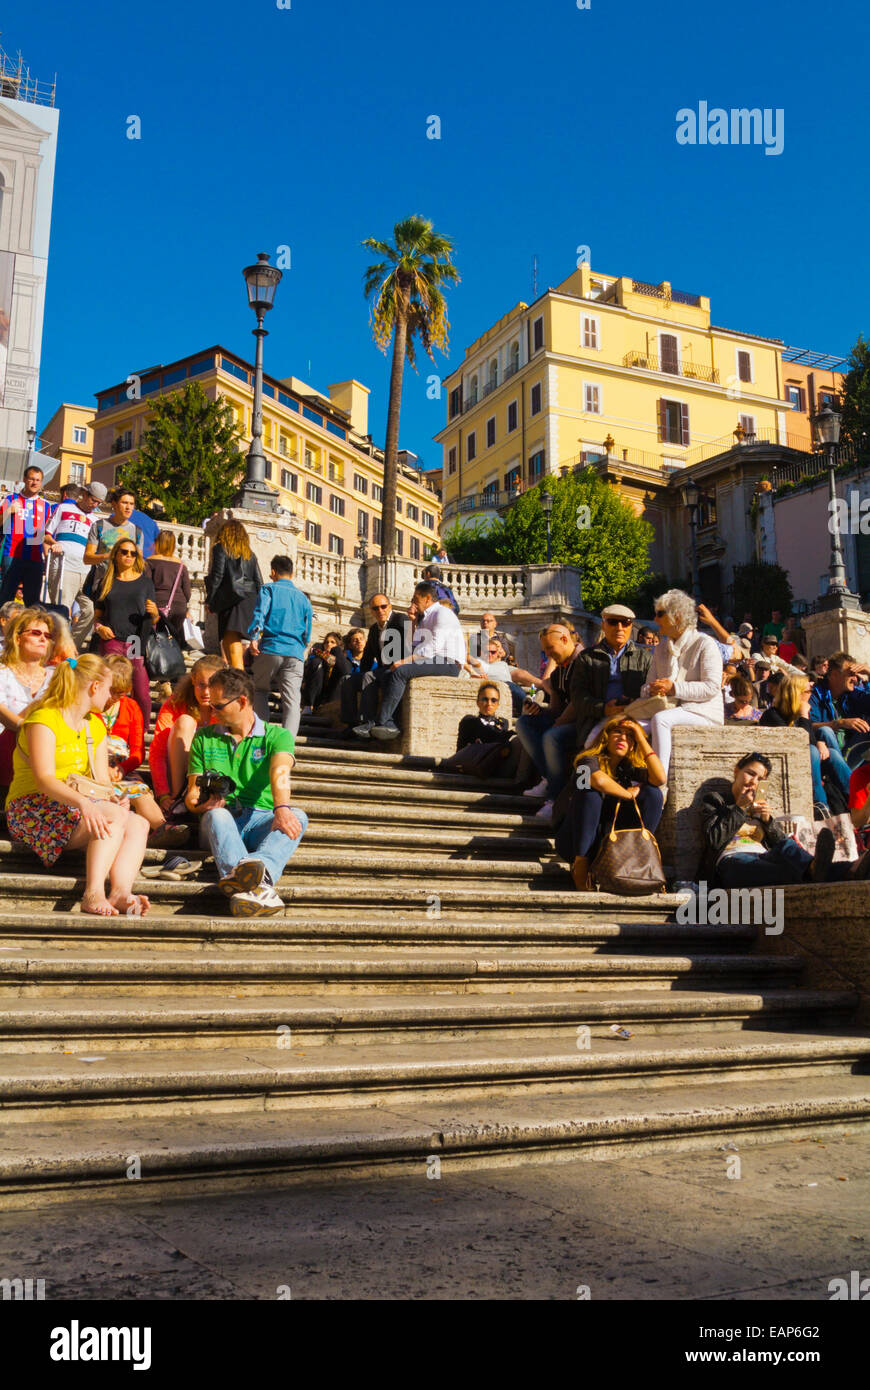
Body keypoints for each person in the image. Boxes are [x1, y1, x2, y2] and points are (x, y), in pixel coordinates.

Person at [5, 653, 151, 916]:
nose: (110, 697)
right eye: (108, 689)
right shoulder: (44, 718)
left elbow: (101, 781)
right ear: (94, 686)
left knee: (138, 823)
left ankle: (120, 892)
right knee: (112, 816)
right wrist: (87, 803)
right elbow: (44, 779)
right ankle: (93, 893)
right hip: (32, 808)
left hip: (75, 807)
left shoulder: (94, 726)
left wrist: (114, 797)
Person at [185, 668, 308, 917]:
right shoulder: (203, 738)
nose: (212, 711)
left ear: (242, 701)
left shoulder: (277, 736)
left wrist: (282, 808)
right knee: (218, 817)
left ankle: (251, 884)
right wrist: (202, 806)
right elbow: (191, 795)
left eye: (218, 706)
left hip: (261, 818)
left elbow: (280, 771)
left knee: (299, 816)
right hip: (220, 821)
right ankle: (259, 884)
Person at [698, 751, 870, 889]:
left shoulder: (756, 806)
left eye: (760, 779)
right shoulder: (715, 800)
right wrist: (739, 808)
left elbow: (778, 843)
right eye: (750, 774)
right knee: (780, 870)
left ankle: (837, 868)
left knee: (785, 845)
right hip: (733, 861)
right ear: (737, 771)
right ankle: (848, 870)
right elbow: (714, 839)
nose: (753, 782)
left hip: (763, 855)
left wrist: (767, 821)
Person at [558, 717, 666, 891]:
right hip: (575, 840)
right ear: (605, 737)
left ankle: (642, 856)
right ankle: (581, 866)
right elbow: (598, 780)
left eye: (630, 736)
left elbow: (660, 778)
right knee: (587, 791)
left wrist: (641, 738)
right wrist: (627, 794)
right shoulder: (585, 761)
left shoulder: (628, 768)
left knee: (653, 793)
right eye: (618, 732)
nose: (623, 738)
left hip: (613, 844)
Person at [100, 652, 188, 848]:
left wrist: (122, 768)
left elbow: (138, 752)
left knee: (140, 790)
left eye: (120, 693)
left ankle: (162, 829)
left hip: (121, 769)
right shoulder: (91, 707)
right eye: (112, 691)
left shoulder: (131, 707)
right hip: (92, 769)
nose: (114, 698)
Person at [640, 589, 724, 776]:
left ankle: (658, 783)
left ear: (677, 617)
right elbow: (646, 686)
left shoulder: (705, 643)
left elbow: (711, 688)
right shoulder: (661, 648)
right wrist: (652, 689)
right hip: (669, 709)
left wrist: (673, 688)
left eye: (660, 614)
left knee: (661, 720)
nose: (655, 620)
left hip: (704, 713)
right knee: (629, 726)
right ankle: (634, 782)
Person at [367, 580, 465, 740]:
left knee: (400, 672)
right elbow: (413, 645)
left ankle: (383, 721)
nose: (413, 602)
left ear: (427, 598)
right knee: (388, 673)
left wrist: (404, 662)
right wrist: (413, 620)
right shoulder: (425, 618)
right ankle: (390, 723)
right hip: (433, 659)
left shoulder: (442, 613)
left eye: (415, 599)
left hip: (448, 662)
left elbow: (434, 646)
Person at [516, 623, 584, 819]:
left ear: (564, 640)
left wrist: (558, 721)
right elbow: (555, 709)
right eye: (545, 650)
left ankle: (554, 797)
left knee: (552, 736)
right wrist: (539, 711)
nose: (548, 655)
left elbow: (579, 700)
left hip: (584, 724)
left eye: (550, 649)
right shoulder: (558, 671)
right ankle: (549, 777)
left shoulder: (584, 660)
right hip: (566, 721)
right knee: (524, 723)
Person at [761, 673, 851, 814]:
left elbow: (810, 739)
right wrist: (804, 716)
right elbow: (799, 744)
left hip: (805, 762)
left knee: (831, 753)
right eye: (808, 691)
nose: (811, 694)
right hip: (785, 765)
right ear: (796, 694)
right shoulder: (772, 715)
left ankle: (858, 800)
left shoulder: (798, 712)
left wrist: (820, 742)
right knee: (812, 751)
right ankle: (820, 807)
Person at [571, 603, 653, 752]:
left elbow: (650, 694)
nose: (620, 627)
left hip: (634, 718)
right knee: (587, 754)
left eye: (625, 623)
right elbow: (578, 696)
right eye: (613, 622)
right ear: (603, 625)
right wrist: (604, 709)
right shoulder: (586, 657)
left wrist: (633, 703)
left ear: (631, 626)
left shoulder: (646, 658)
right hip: (596, 719)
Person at [92, 540, 158, 725]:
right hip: (111, 640)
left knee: (142, 692)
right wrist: (99, 628)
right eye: (124, 552)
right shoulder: (106, 582)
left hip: (136, 641)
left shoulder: (145, 583)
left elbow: (154, 619)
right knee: (109, 688)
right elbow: (96, 617)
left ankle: (141, 730)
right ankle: (104, 727)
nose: (129, 556)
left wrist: (155, 613)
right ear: (116, 554)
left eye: (133, 553)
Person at [149, 655, 224, 816]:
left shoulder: (227, 707)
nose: (206, 692)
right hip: (178, 773)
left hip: (211, 775)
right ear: (193, 681)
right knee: (185, 722)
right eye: (201, 685)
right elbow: (157, 751)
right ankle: (178, 797)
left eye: (211, 686)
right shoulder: (175, 703)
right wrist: (162, 794)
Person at [248, 554, 312, 736]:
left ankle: (260, 735)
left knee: (259, 690)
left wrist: (254, 638)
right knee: (292, 701)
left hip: (271, 647)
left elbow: (260, 615)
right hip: (295, 652)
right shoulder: (303, 598)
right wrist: (301, 646)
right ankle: (287, 744)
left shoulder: (268, 590)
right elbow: (307, 631)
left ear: (273, 572)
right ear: (292, 574)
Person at [44, 480, 107, 649]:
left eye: (99, 503)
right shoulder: (64, 508)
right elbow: (46, 534)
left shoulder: (95, 520)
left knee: (90, 612)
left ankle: (69, 647)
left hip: (86, 572)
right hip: (65, 567)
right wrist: (54, 543)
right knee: (62, 612)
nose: (95, 505)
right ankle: (57, 650)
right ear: (84, 494)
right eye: (93, 500)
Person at [0, 606, 53, 792]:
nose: (43, 639)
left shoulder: (55, 678)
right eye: (36, 633)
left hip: (45, 761)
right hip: (6, 753)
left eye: (47, 635)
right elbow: (8, 720)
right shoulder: (2, 674)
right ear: (17, 637)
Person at [342, 594, 408, 734]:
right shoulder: (373, 630)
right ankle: (350, 724)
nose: (380, 611)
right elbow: (367, 658)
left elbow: (412, 644)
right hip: (383, 670)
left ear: (390, 607)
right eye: (376, 608)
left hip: (399, 668)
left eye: (383, 606)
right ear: (371, 611)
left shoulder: (400, 620)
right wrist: (359, 675)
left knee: (369, 676)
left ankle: (367, 722)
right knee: (348, 680)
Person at [205, 520, 263, 669]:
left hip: (232, 599)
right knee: (232, 645)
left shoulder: (221, 548)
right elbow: (259, 582)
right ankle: (238, 680)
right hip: (249, 600)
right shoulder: (250, 554)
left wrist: (210, 601)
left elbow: (217, 576)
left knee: (232, 645)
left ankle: (239, 684)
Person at [0, 465, 53, 606]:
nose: (35, 483)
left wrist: (49, 555)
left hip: (35, 558)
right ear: (24, 479)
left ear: (41, 482)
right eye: (31, 479)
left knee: (33, 602)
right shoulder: (11, 499)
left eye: (38, 480)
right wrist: (8, 511)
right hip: (12, 555)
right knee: (6, 599)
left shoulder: (46, 506)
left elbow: (45, 535)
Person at [808, 651, 870, 768]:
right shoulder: (815, 694)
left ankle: (846, 773)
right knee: (826, 731)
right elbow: (809, 726)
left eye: (856, 674)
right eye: (851, 674)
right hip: (829, 754)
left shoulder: (852, 695)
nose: (855, 679)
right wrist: (840, 723)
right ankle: (846, 775)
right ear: (834, 674)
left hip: (851, 752)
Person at [83, 488, 145, 598]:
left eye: (131, 504)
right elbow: (87, 558)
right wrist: (109, 556)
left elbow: (139, 564)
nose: (128, 507)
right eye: (124, 503)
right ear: (114, 504)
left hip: (127, 590)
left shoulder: (137, 532)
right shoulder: (99, 526)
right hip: (102, 587)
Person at [147, 530, 191, 650]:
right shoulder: (181, 564)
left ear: (157, 543)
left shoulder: (150, 561)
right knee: (173, 640)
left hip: (158, 604)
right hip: (178, 606)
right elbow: (187, 592)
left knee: (155, 639)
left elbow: (146, 586)